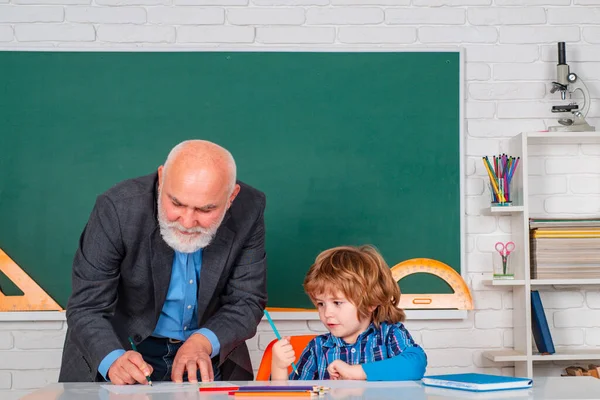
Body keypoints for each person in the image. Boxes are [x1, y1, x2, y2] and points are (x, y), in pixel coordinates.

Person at [58, 140, 267, 385]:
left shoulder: (249, 208)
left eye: (205, 209)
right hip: (124, 349)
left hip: (205, 353)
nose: (187, 222)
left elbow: (247, 299)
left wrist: (203, 342)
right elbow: (86, 306)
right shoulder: (117, 208)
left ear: (231, 197)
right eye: (176, 203)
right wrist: (114, 359)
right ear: (161, 179)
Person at [271, 245, 427, 381]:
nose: (327, 313)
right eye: (320, 304)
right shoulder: (317, 348)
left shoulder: (389, 334)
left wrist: (355, 372)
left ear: (370, 303)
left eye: (337, 303)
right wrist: (279, 367)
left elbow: (416, 364)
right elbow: (293, 395)